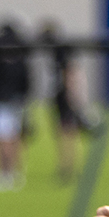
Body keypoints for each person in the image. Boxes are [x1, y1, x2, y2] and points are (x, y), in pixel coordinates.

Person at [37, 21, 94, 185]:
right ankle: (66, 166)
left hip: (66, 98)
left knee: (68, 133)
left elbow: (70, 73)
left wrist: (73, 98)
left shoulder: (60, 51)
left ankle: (69, 168)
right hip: (60, 97)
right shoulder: (55, 51)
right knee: (63, 133)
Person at [0, 21, 31, 192]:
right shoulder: (22, 51)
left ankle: (4, 173)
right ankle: (13, 173)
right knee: (12, 137)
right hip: (16, 100)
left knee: (1, 138)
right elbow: (27, 81)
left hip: (0, 100)